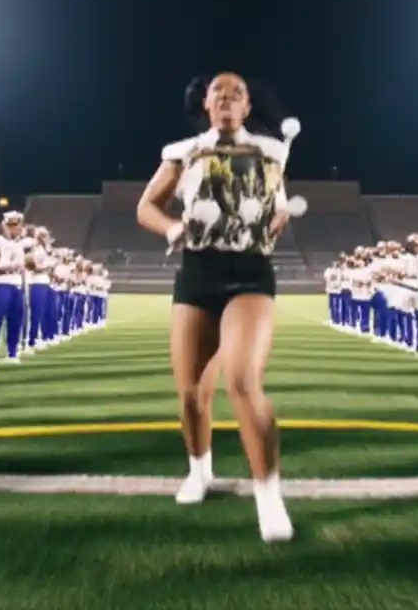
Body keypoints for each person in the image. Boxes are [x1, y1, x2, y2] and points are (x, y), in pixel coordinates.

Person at [136, 72, 294, 542]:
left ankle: (269, 494)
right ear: (206, 103)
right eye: (218, 93)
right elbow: (146, 206)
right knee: (191, 394)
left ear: (247, 106)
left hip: (250, 272)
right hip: (198, 273)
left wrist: (278, 219)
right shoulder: (182, 152)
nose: (227, 98)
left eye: (237, 93)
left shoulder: (271, 153)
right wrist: (171, 229)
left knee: (243, 381)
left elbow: (276, 209)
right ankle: (199, 470)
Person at [0, 211, 28, 369]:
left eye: (17, 225)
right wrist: (9, 266)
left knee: (15, 320)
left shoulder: (19, 244)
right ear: (5, 226)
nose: (16, 228)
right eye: (12, 225)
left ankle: (12, 352)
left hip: (15, 284)